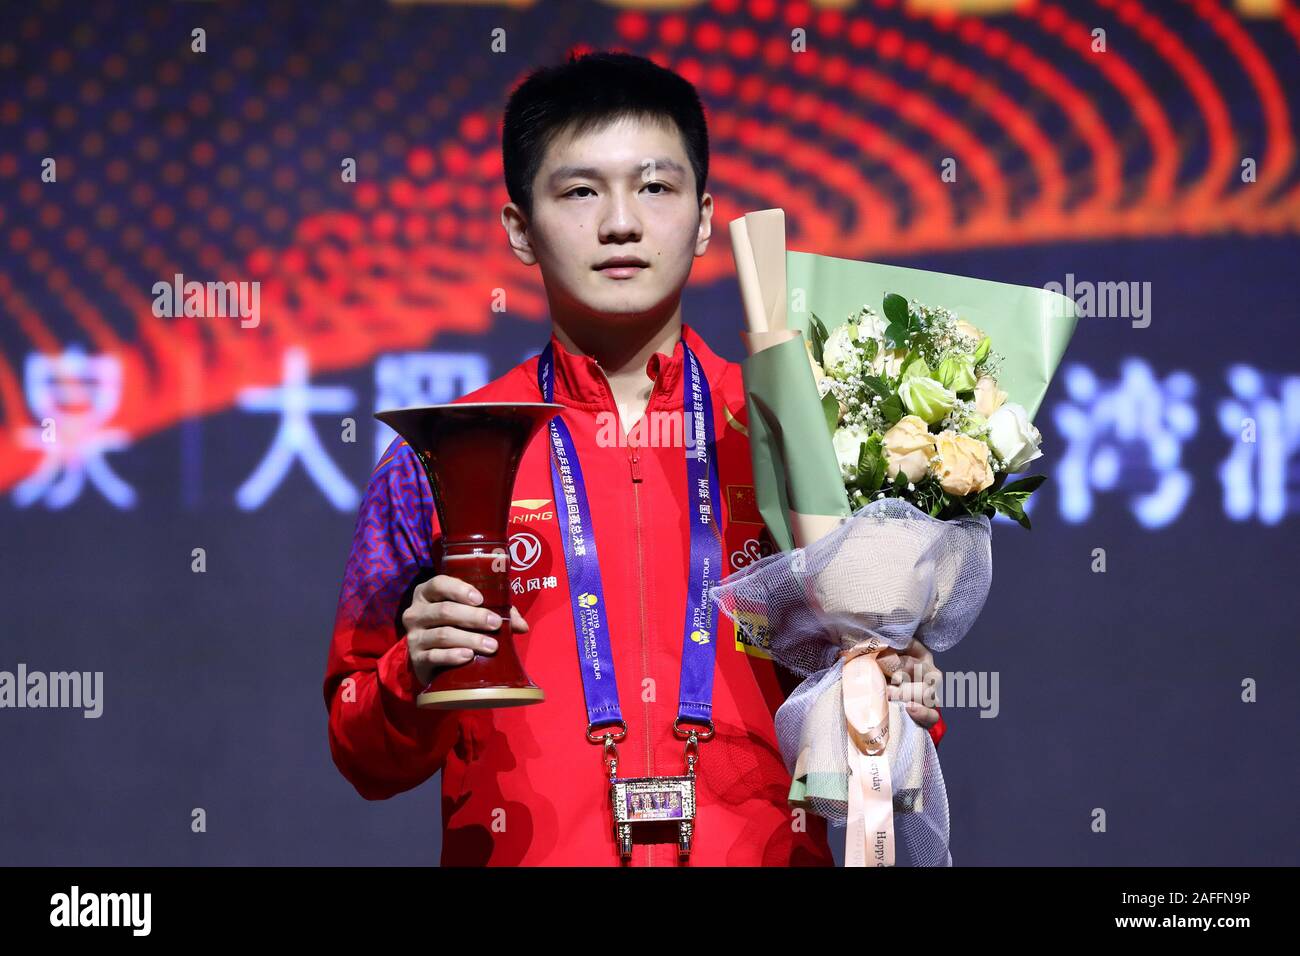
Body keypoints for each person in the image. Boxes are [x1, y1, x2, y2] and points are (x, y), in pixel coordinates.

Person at [323, 50, 945, 866]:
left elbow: (868, 698)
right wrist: (415, 670)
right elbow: (359, 747)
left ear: (704, 216)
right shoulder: (441, 451)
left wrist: (902, 690)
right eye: (580, 191)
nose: (621, 222)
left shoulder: (799, 429)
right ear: (519, 229)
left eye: (655, 186)